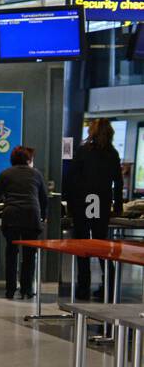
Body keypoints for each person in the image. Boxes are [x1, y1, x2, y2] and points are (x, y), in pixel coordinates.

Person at [65, 118, 123, 299]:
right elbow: (118, 183)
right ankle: (108, 286)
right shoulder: (112, 153)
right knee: (102, 245)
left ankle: (83, 287)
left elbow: (71, 178)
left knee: (82, 246)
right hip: (103, 204)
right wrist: (118, 205)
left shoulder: (83, 151)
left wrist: (70, 205)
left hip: (83, 203)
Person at [0, 146, 49, 300]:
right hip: (32, 216)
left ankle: (10, 290)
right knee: (29, 255)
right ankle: (27, 289)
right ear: (28, 159)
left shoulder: (5, 174)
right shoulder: (36, 174)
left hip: (12, 217)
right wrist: (43, 217)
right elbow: (44, 199)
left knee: (11, 253)